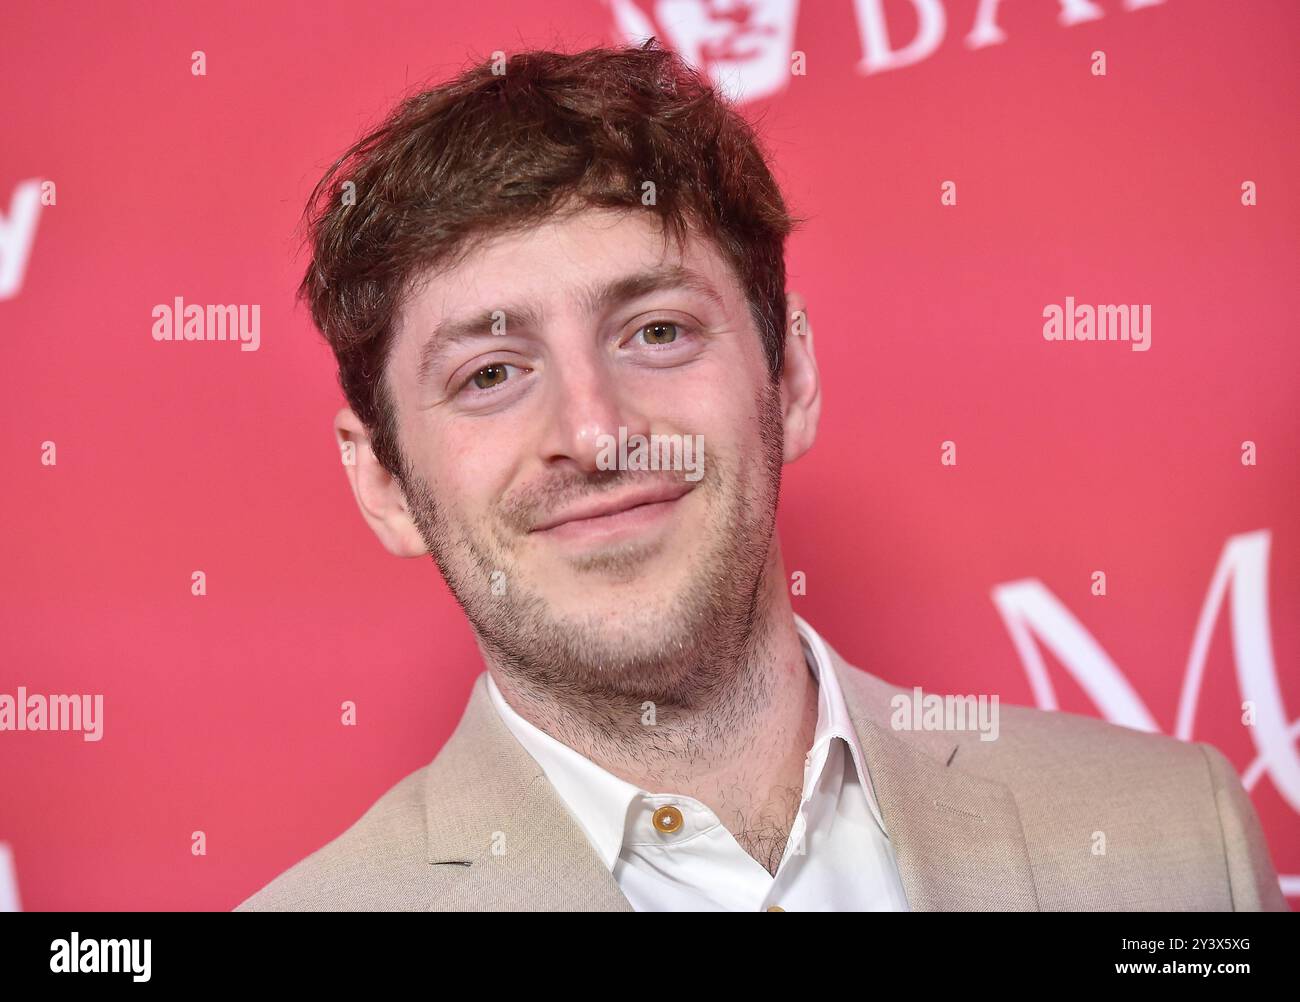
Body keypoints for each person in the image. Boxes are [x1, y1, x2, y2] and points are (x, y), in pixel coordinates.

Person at [235, 40, 1286, 912]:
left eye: (654, 331)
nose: (596, 433)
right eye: (491, 373)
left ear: (788, 375)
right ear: (382, 483)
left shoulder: (1171, 847)